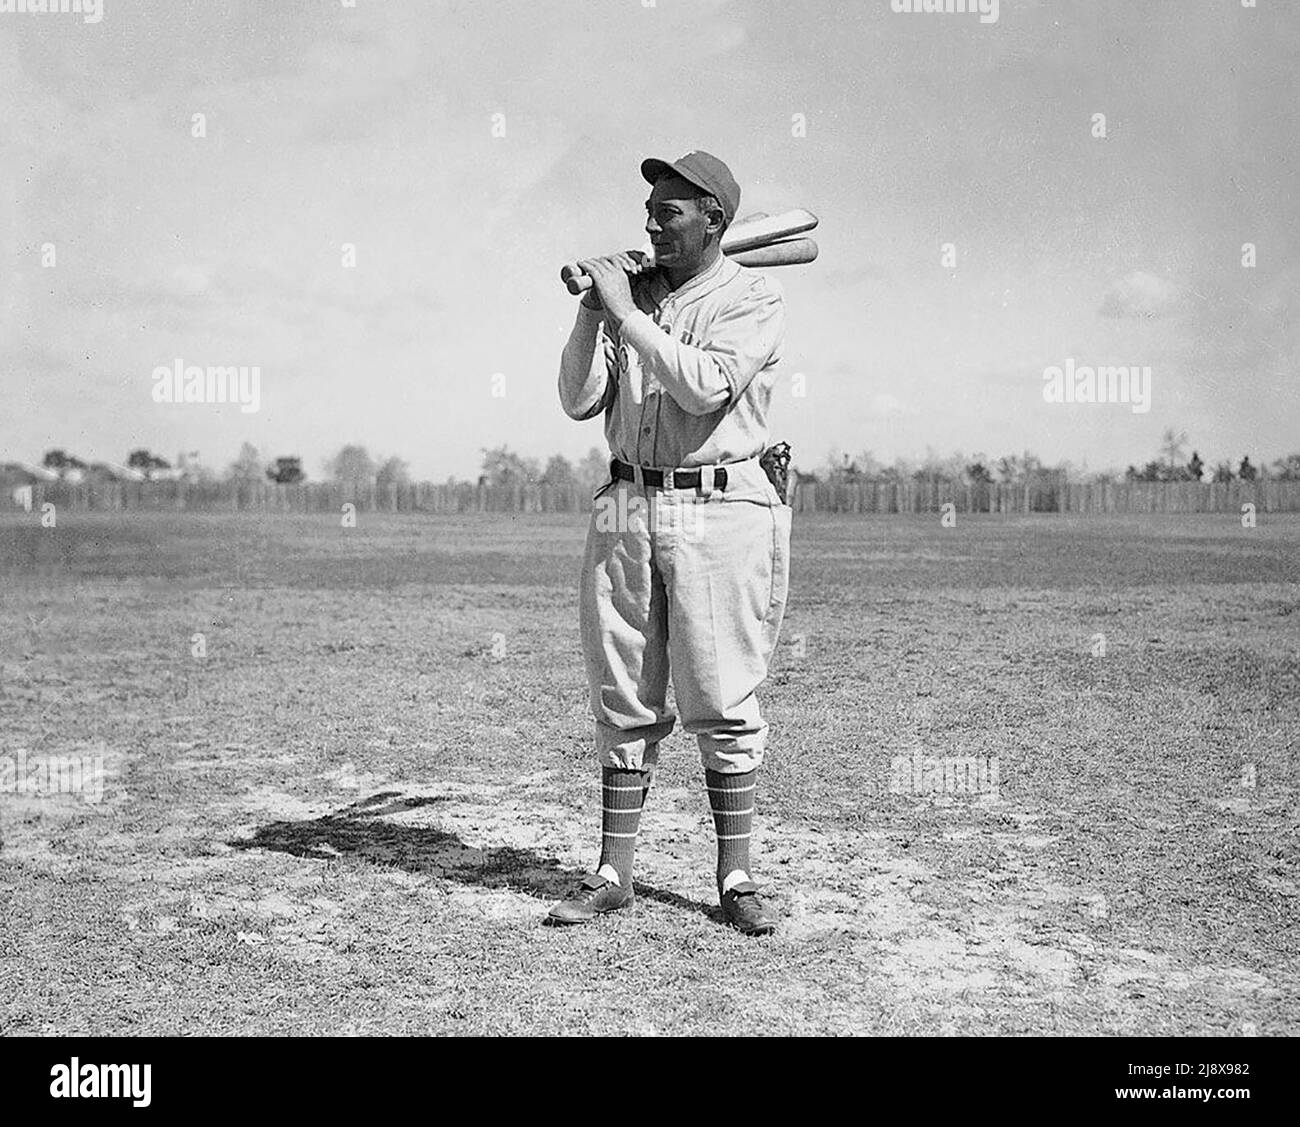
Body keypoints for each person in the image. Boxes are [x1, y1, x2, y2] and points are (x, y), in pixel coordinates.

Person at [551, 150, 793, 935]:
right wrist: (596, 311)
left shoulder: (753, 295)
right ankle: (613, 871)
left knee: (720, 697)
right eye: (648, 211)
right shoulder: (637, 299)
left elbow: (703, 386)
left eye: (670, 213)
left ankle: (736, 875)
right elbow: (578, 397)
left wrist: (629, 315)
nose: (652, 224)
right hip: (627, 499)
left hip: (718, 505)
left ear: (715, 221)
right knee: (623, 692)